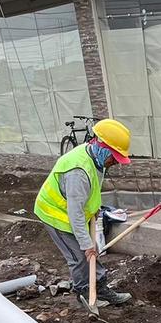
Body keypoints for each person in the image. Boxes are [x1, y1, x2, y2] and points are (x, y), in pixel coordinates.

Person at [34, 118, 133, 308]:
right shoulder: (78, 172)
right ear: (103, 148)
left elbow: (90, 193)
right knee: (79, 257)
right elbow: (75, 213)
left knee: (92, 252)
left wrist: (94, 212)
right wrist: (86, 244)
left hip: (75, 212)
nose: (116, 162)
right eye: (114, 157)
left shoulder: (95, 159)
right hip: (55, 214)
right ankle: (84, 295)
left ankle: (100, 288)